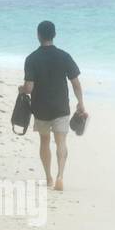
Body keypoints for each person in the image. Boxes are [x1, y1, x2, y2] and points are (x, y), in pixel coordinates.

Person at [21, 20, 85, 191]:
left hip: (41, 108)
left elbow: (28, 88)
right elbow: (76, 84)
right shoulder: (64, 56)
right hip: (61, 107)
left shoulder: (31, 58)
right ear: (54, 35)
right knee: (61, 141)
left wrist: (21, 89)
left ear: (38, 35)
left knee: (44, 140)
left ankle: (48, 177)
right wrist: (81, 103)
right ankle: (60, 177)